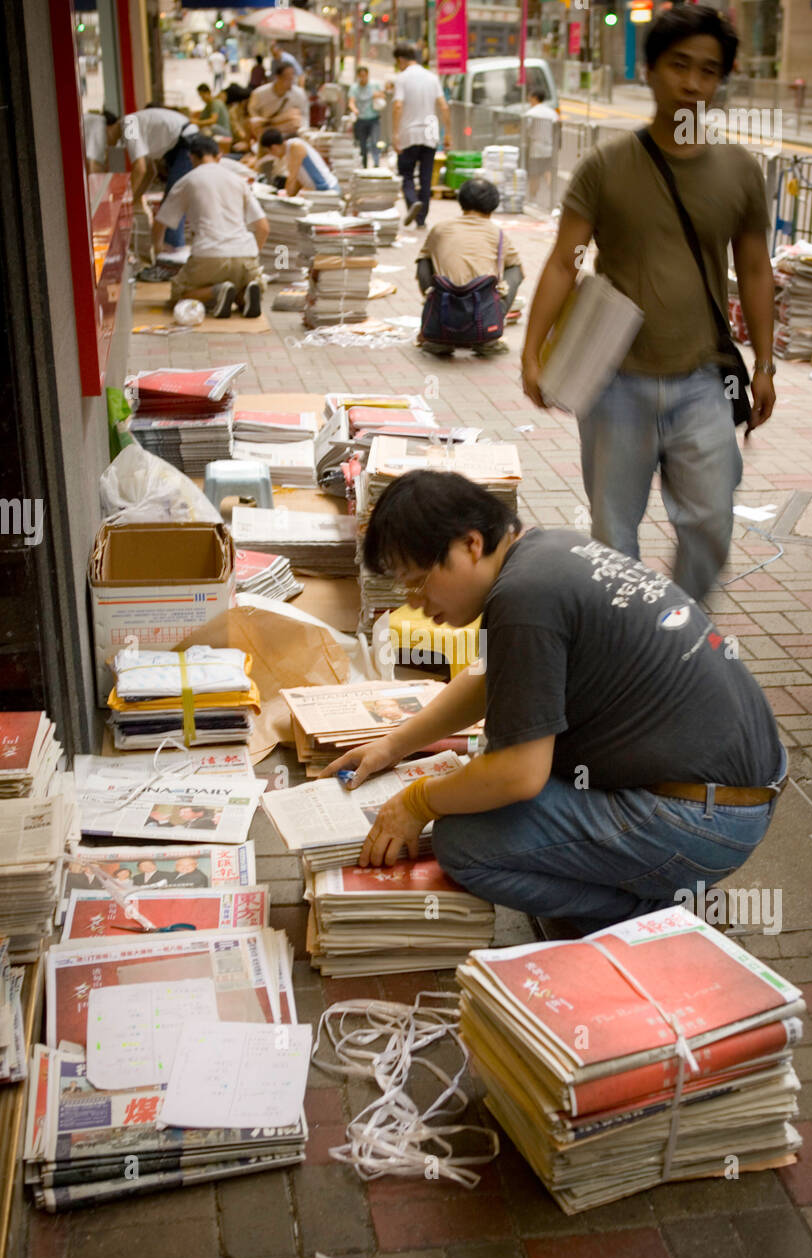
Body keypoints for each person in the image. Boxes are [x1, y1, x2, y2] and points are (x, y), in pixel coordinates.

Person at [321, 472, 786, 937]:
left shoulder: (522, 596)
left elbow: (518, 774)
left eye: (421, 581)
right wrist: (394, 745)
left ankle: (657, 914)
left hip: (702, 820)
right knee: (484, 776)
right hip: (732, 796)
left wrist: (417, 802)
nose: (416, 603)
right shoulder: (547, 553)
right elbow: (489, 677)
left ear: (470, 544)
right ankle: (653, 892)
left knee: (464, 843)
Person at [521, 4, 776, 604]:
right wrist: (532, 353)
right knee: (613, 537)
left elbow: (757, 269)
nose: (692, 84)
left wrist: (763, 364)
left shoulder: (740, 171)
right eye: (679, 65)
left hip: (704, 381)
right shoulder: (606, 167)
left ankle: (677, 628)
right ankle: (630, 647)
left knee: (711, 523)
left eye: (709, 71)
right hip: (613, 382)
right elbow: (564, 261)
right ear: (650, 71)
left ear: (721, 82)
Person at [152, 133, 269, 318]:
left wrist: (157, 251)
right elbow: (263, 227)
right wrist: (253, 255)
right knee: (239, 278)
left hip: (208, 256)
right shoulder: (238, 181)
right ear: (219, 156)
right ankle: (243, 292)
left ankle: (218, 291)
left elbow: (160, 223)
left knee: (179, 296)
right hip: (245, 255)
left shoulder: (186, 181)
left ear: (192, 157)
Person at [415, 177, 524, 358]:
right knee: (515, 268)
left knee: (424, 259)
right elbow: (516, 267)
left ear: (461, 201)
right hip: (482, 315)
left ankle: (437, 330)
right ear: (493, 205)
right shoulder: (497, 234)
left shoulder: (440, 229)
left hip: (444, 308)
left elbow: (424, 261)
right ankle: (489, 337)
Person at [106, 105, 198, 247]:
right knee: (174, 200)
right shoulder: (133, 123)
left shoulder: (128, 125)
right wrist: (133, 201)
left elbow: (140, 169)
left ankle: (172, 251)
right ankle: (171, 248)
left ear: (107, 127)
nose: (106, 143)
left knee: (172, 202)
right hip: (183, 140)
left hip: (185, 142)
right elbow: (150, 172)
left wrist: (124, 203)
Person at [392, 41, 451, 229]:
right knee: (426, 177)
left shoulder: (402, 78)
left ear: (401, 60)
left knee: (406, 173)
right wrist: (448, 133)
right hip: (430, 134)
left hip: (409, 133)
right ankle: (421, 218)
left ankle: (412, 201)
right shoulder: (432, 78)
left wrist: (394, 133)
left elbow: (398, 105)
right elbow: (443, 105)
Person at [257, 128, 339, 195]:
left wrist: (286, 197)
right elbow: (297, 181)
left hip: (328, 190)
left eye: (270, 152)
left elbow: (292, 177)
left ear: (274, 147)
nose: (273, 155)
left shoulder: (295, 147)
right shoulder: (288, 152)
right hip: (320, 192)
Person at [248, 62, 305, 139]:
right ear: (278, 77)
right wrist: (268, 122)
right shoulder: (259, 93)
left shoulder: (299, 93)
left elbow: (304, 116)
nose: (291, 79)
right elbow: (252, 112)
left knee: (294, 116)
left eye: (292, 76)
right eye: (287, 77)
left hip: (290, 131)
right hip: (266, 130)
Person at [525, 88, 559, 205]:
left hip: (535, 148)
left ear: (534, 98)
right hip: (549, 148)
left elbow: (526, 129)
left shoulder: (531, 113)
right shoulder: (552, 113)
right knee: (548, 172)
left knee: (534, 174)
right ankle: (553, 197)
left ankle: (532, 199)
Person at [348, 66, 381, 168]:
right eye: (361, 76)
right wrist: (354, 110)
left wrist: (378, 95)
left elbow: (382, 96)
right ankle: (364, 165)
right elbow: (351, 102)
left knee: (375, 142)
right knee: (362, 144)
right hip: (361, 120)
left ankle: (376, 163)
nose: (363, 78)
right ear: (358, 76)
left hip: (373, 119)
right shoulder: (354, 88)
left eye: (365, 76)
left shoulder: (374, 85)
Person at [83, 108, 120, 174]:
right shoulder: (100, 124)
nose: (115, 143)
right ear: (112, 126)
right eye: (117, 137)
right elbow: (94, 168)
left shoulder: (94, 122)